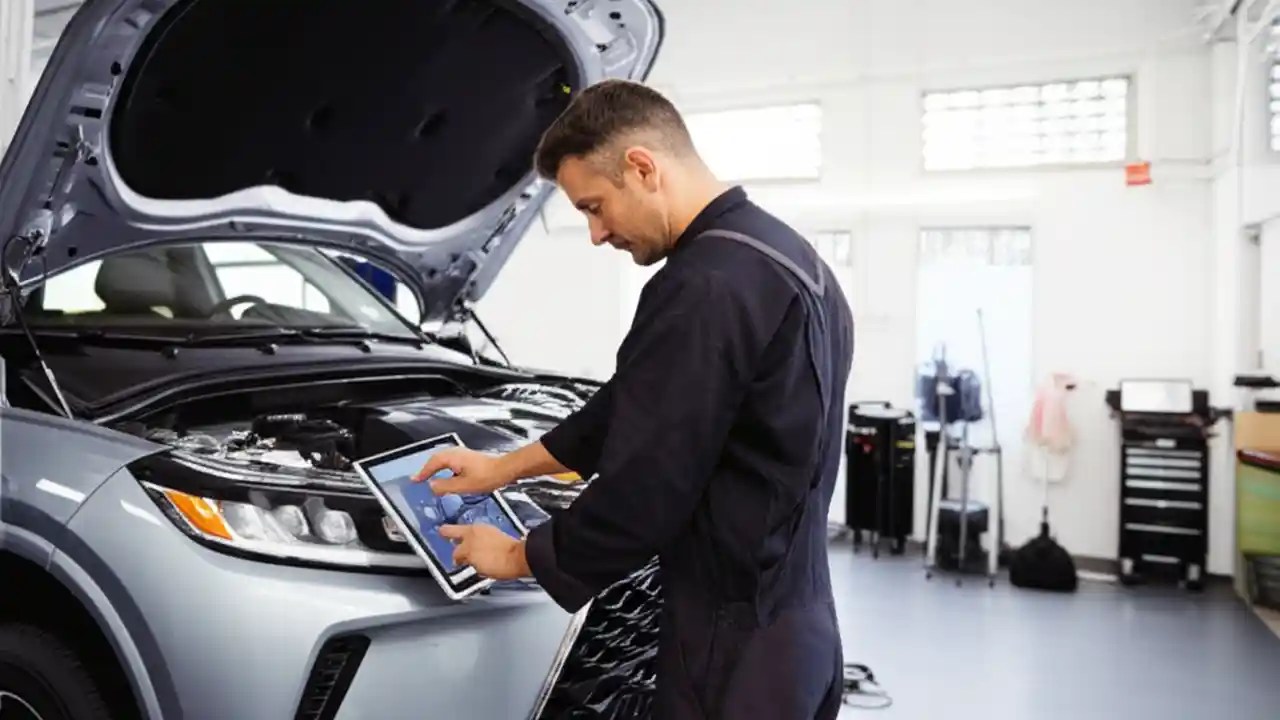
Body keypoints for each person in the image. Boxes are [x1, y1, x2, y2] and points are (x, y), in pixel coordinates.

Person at [414, 79, 855, 720]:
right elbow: (633, 402)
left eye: (594, 206)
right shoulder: (790, 258)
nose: (596, 234)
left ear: (642, 167)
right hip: (800, 628)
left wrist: (516, 555)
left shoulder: (702, 286)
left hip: (730, 652)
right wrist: (502, 468)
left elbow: (644, 488)